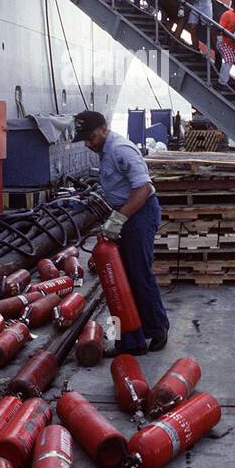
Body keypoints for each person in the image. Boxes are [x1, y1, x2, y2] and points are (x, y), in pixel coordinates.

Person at [74, 110, 170, 355]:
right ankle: (129, 341)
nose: (87, 143)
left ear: (104, 129)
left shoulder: (120, 150)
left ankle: (157, 330)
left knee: (138, 275)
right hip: (126, 213)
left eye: (91, 137)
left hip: (139, 214)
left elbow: (144, 189)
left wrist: (119, 218)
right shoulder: (104, 150)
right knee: (118, 280)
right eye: (84, 139)